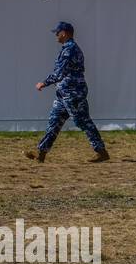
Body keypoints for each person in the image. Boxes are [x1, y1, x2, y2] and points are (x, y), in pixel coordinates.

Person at [26, 22, 108, 163]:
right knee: (54, 122)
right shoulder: (68, 48)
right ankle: (41, 153)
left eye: (57, 33)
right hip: (64, 94)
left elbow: (59, 73)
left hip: (73, 93)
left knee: (83, 121)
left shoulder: (69, 50)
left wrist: (43, 83)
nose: (56, 36)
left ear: (64, 33)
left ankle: (101, 151)